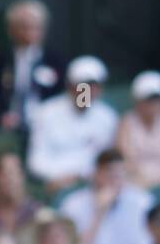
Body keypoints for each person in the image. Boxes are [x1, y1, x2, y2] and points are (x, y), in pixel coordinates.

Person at [58, 147, 153, 244]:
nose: (115, 182)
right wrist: (99, 214)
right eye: (110, 176)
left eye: (120, 176)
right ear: (96, 174)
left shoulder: (142, 203)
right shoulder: (73, 205)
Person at [26, 54, 118, 192]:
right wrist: (64, 176)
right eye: (84, 86)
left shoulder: (108, 117)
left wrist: (84, 176)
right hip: (58, 185)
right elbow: (36, 162)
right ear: (70, 86)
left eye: (95, 86)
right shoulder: (46, 113)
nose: (90, 92)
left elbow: (109, 160)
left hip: (96, 185)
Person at [0, 0, 65, 132]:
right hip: (10, 129)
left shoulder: (56, 61)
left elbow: (72, 90)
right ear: (11, 30)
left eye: (36, 27)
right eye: (24, 27)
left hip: (48, 126)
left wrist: (82, 106)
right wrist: (1, 117)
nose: (30, 33)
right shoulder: (0, 62)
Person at [115, 70, 160, 189]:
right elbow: (127, 160)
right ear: (137, 101)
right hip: (137, 179)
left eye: (156, 98)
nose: (153, 104)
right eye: (148, 99)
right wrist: (146, 178)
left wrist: (159, 179)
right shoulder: (127, 123)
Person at [0, 151, 41, 238]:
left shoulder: (41, 216)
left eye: (14, 172)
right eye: (4, 173)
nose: (9, 179)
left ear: (23, 176)